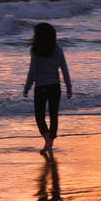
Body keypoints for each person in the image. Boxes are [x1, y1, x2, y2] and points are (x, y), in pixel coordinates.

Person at [23, 22, 72, 154]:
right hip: (55, 87)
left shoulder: (35, 50)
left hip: (41, 87)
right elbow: (64, 69)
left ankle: (47, 139)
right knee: (53, 115)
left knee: (39, 116)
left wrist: (27, 87)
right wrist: (68, 86)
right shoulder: (58, 49)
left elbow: (32, 71)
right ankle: (51, 141)